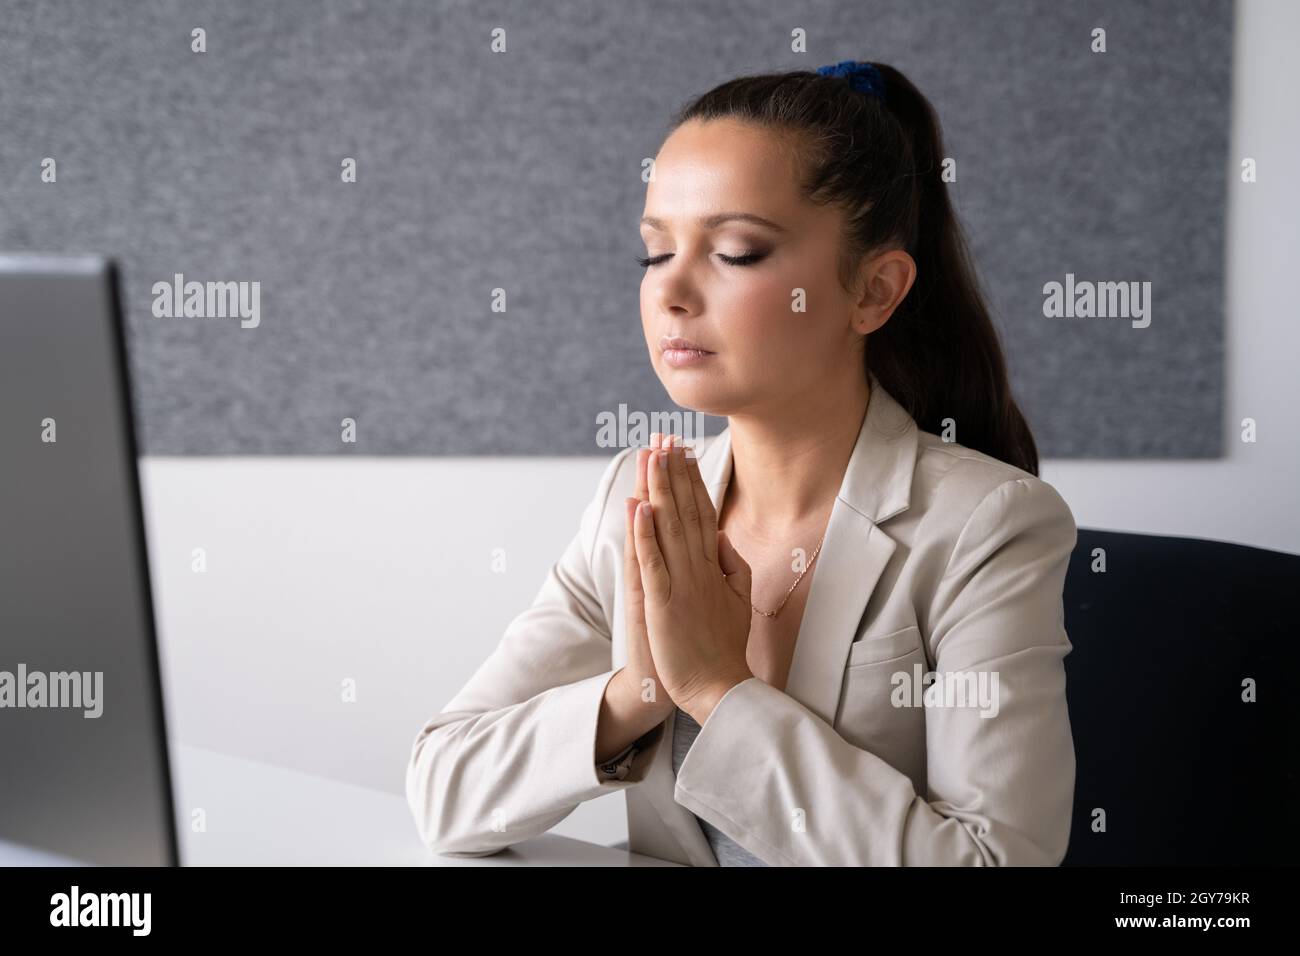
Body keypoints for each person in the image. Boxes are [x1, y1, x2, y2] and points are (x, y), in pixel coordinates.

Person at [406, 61, 1078, 866]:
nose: (672, 293)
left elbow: (995, 861)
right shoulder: (639, 495)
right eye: (654, 254)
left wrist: (718, 690)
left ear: (874, 291)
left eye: (737, 251)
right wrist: (638, 692)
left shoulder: (988, 526)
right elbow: (444, 791)